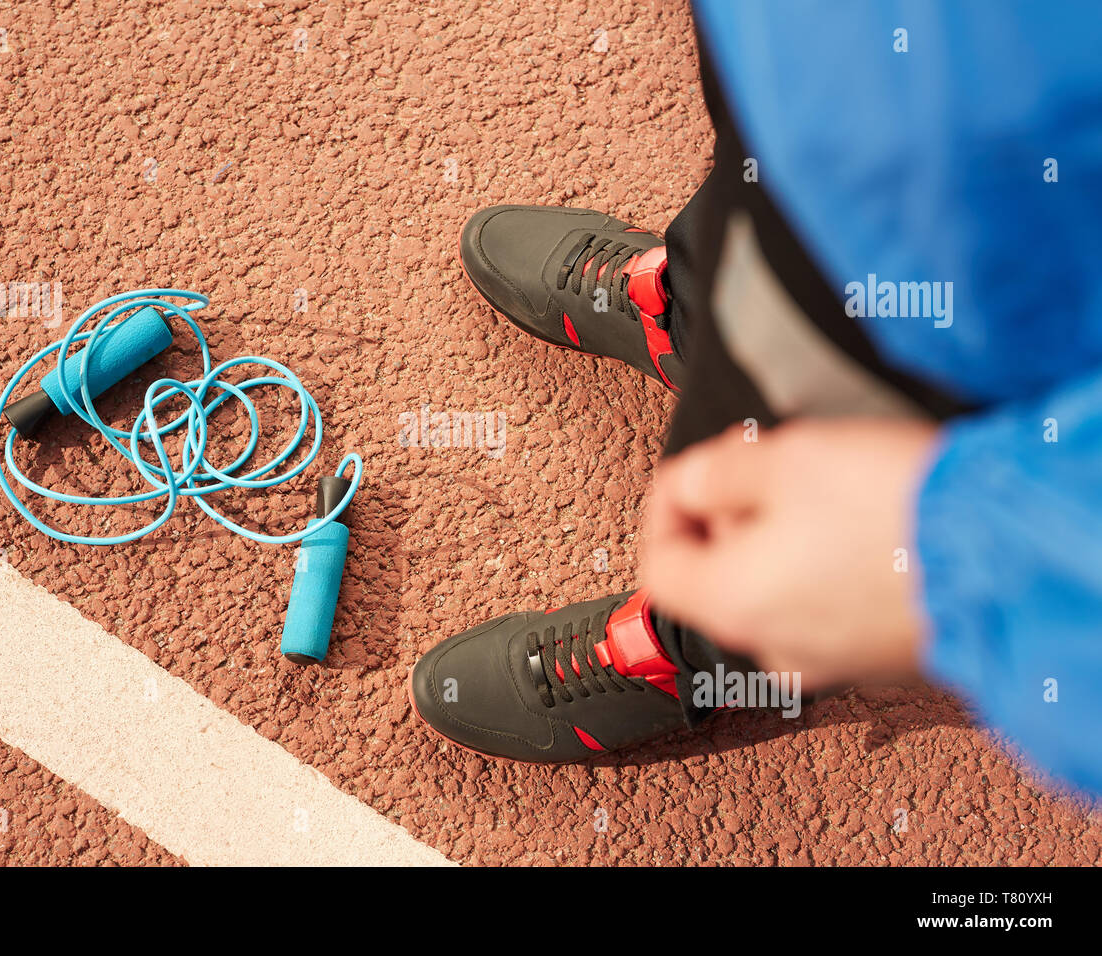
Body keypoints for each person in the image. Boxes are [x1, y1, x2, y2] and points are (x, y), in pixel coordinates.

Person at [407, 1, 1102, 796]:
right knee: (764, 184)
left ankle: (700, 651)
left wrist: (956, 550)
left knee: (817, 421)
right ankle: (690, 315)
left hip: (1019, 209)